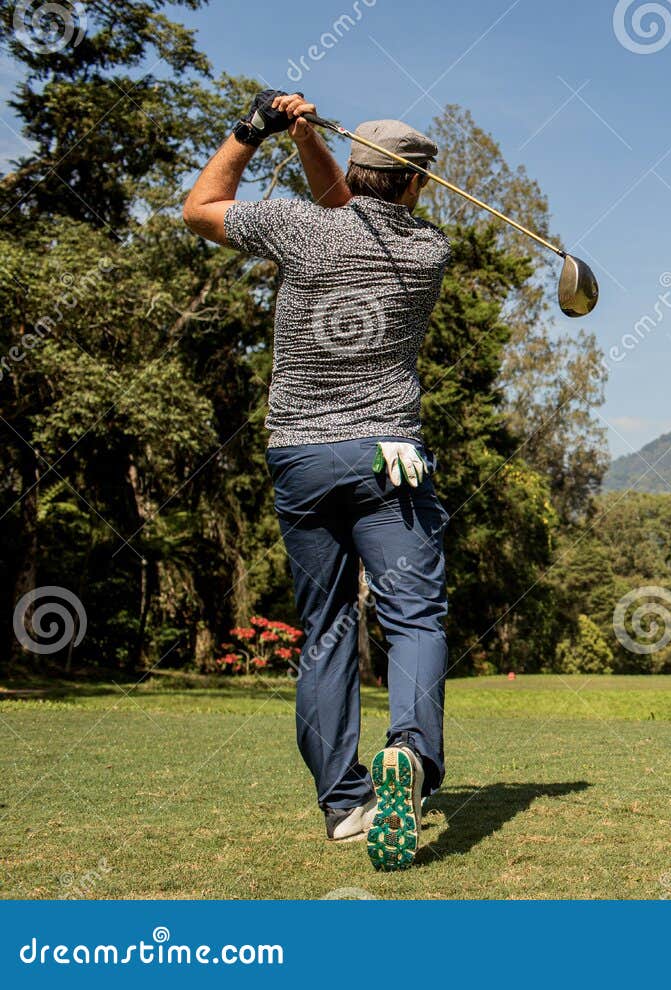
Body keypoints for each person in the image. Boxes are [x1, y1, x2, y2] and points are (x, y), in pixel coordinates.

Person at [183, 90, 450, 871]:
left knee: (328, 628)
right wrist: (306, 142)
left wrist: (259, 128)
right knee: (413, 620)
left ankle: (344, 803)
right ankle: (411, 755)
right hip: (386, 458)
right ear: (415, 185)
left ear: (359, 169)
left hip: (300, 459)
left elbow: (201, 207)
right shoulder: (428, 251)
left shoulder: (300, 231)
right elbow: (353, 210)